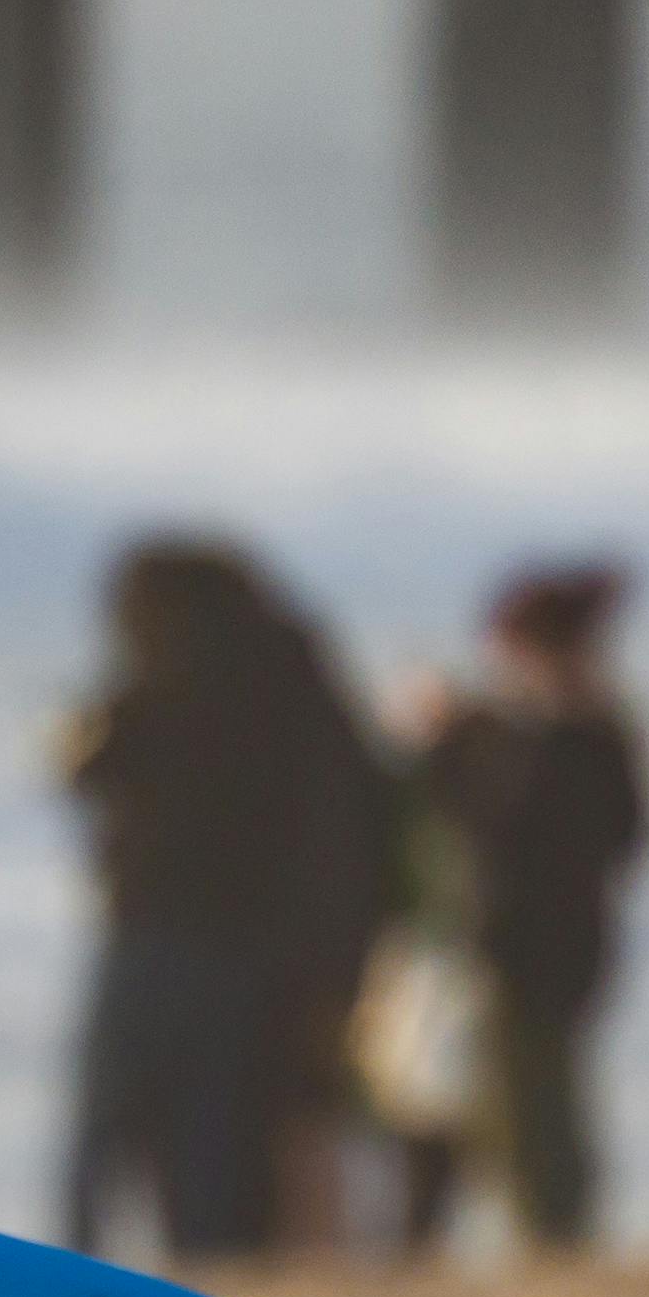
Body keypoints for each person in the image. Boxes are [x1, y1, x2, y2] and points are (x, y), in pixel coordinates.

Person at [59, 540, 387, 1259]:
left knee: (102, 1138)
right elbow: (358, 824)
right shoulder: (295, 681)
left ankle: (64, 1282)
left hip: (151, 938)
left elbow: (85, 770)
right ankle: (205, 1287)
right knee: (214, 1148)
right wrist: (341, 964)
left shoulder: (155, 687)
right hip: (254, 954)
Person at [411, 564, 649, 1255]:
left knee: (540, 1105)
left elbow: (617, 834)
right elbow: (448, 809)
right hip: (507, 945)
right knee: (511, 1103)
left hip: (554, 949)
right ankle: (544, 1233)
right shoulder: (505, 728)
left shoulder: (590, 733)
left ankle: (555, 1238)